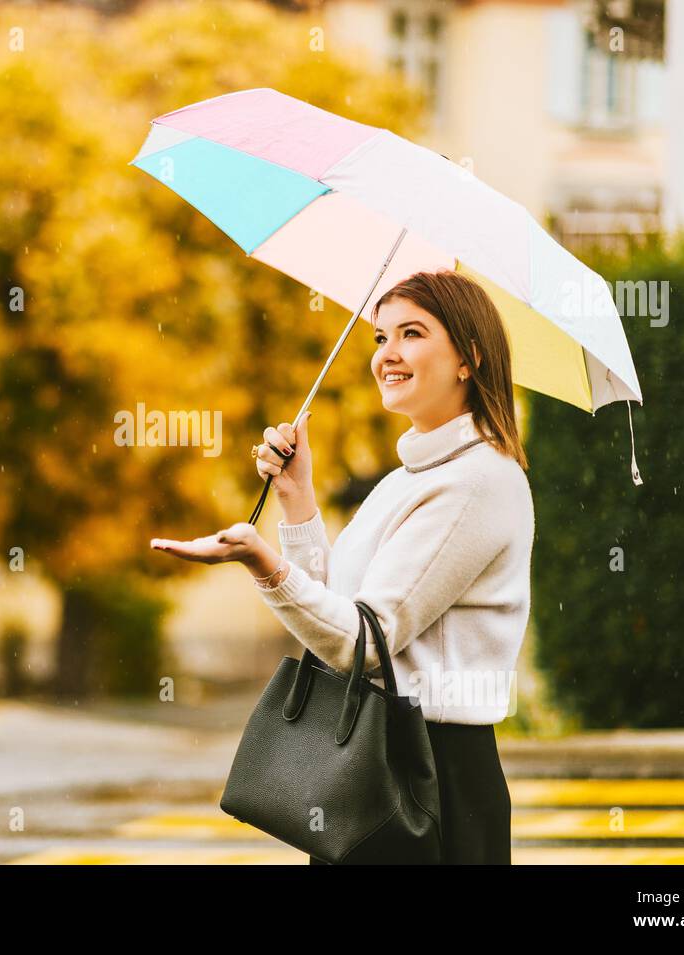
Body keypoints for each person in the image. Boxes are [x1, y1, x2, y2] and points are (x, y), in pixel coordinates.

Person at [151, 269, 534, 864]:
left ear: (469, 358)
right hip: (374, 766)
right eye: (380, 338)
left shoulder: (477, 481)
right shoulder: (409, 478)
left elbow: (364, 642)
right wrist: (297, 498)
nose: (388, 356)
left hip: (430, 775)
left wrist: (262, 562)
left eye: (412, 334)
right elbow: (336, 607)